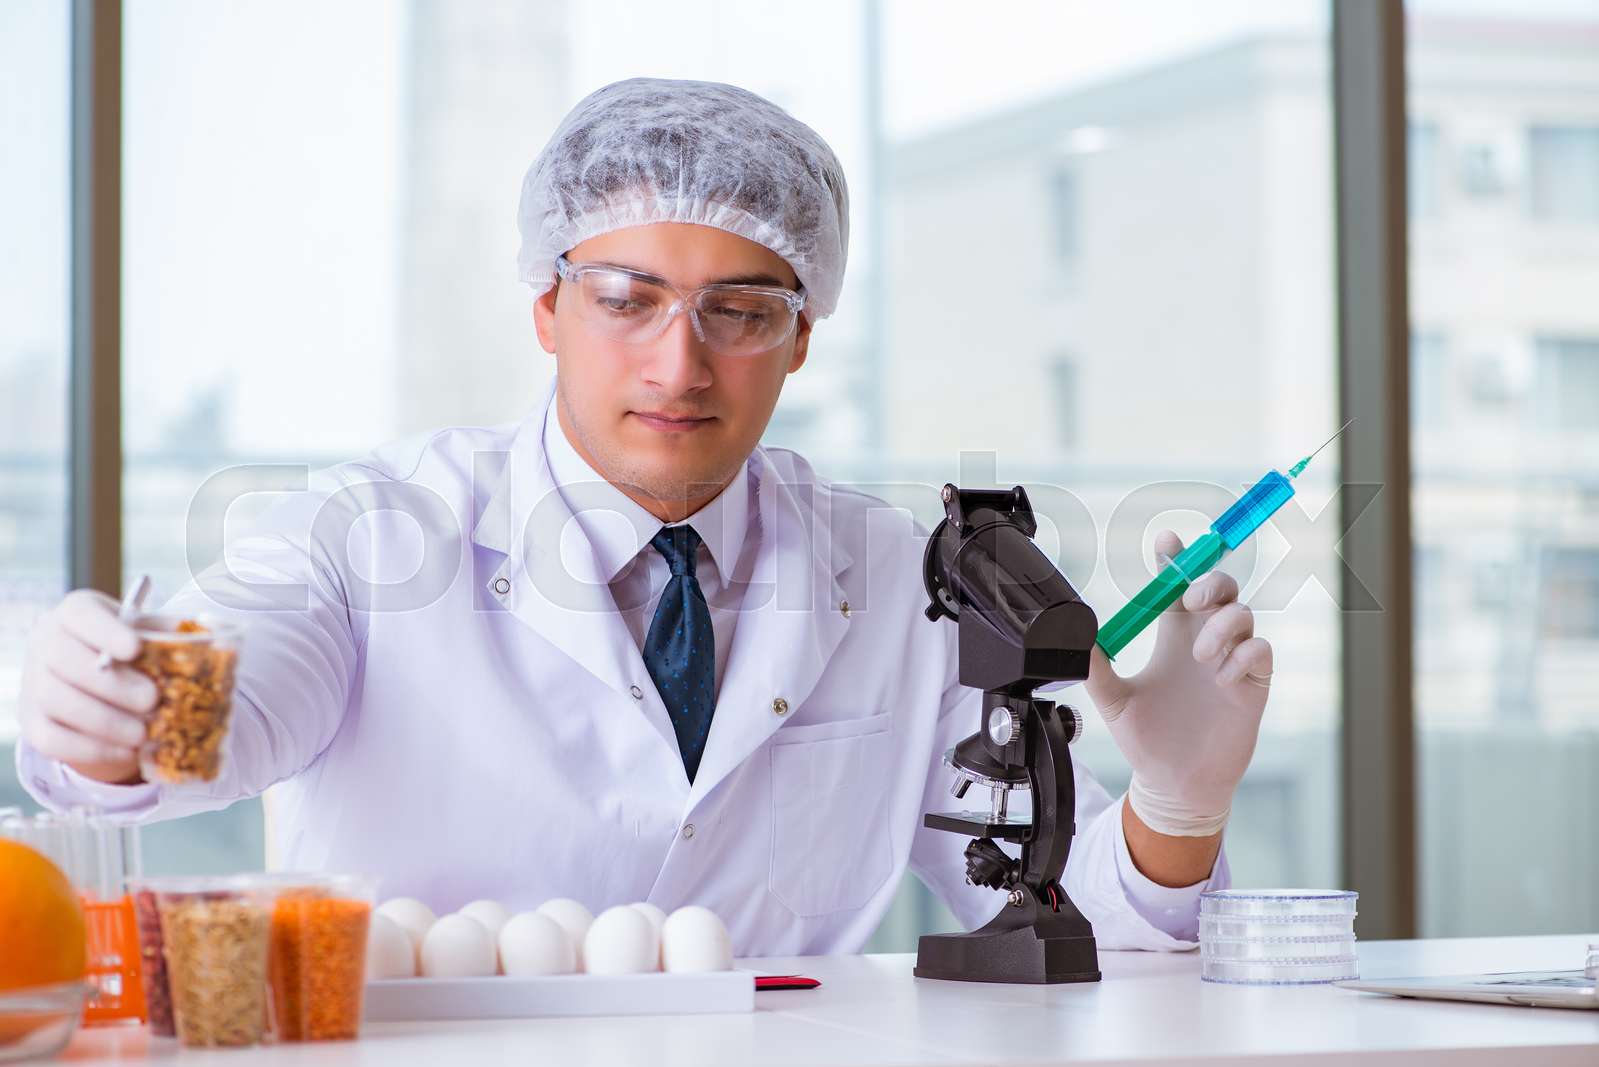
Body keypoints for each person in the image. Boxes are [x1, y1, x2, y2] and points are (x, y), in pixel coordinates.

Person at [16, 78, 1272, 954]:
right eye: (627, 298)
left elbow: (1067, 929)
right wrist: (114, 718)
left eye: (739, 310)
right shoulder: (369, 533)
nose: (680, 365)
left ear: (799, 337)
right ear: (547, 309)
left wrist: (1176, 799)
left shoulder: (895, 574)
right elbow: (219, 709)